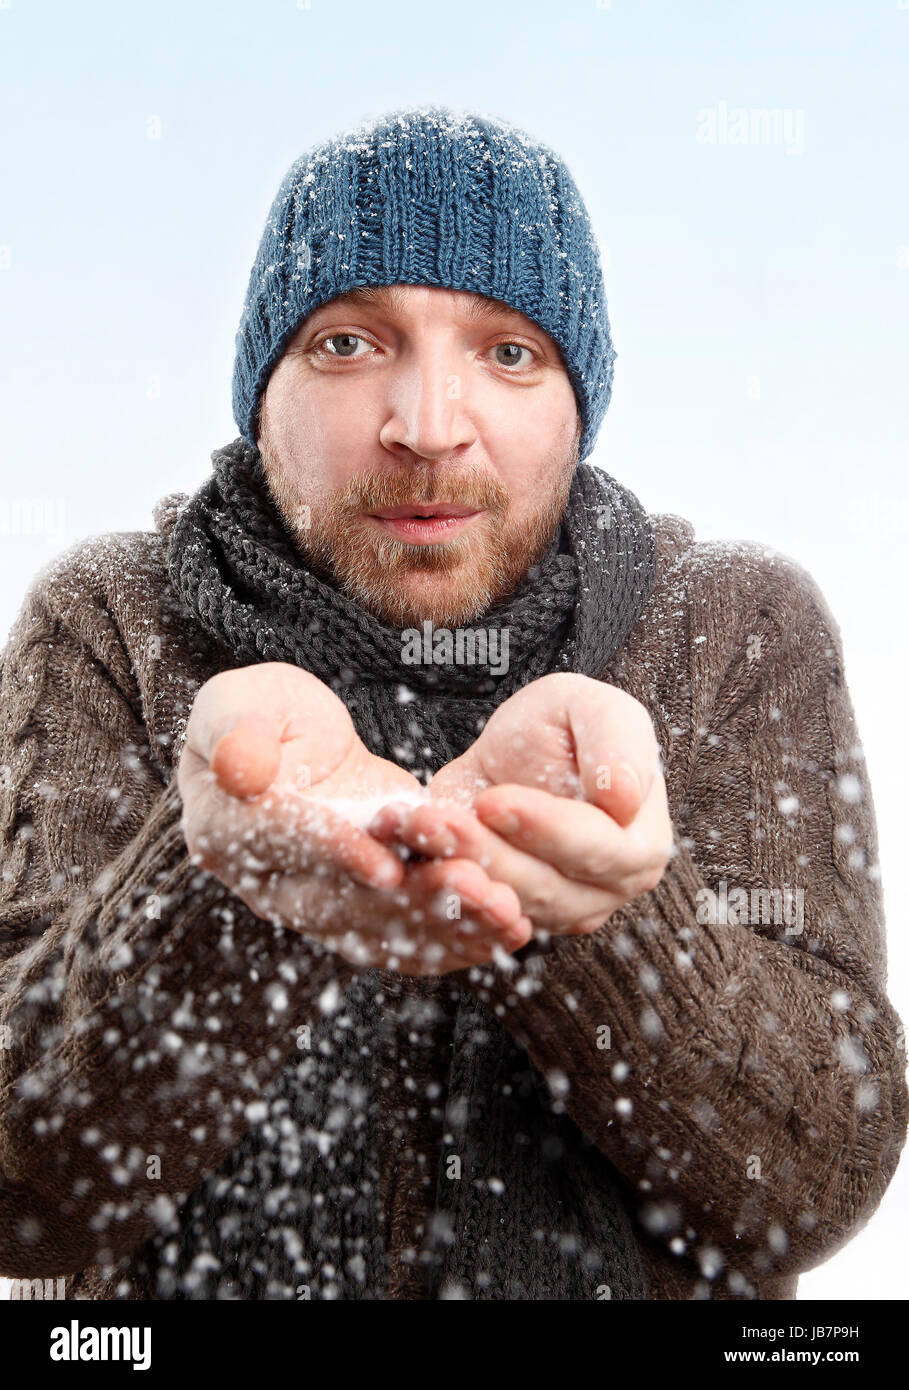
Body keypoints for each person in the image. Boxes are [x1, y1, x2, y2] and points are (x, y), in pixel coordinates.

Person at [0, 105, 905, 1302]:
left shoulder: (734, 627)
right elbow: (24, 1200)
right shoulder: (110, 618)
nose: (426, 427)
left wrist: (605, 920)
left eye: (510, 353)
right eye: (346, 344)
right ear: (258, 387)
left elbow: (809, 1183)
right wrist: (214, 884)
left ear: (580, 402)